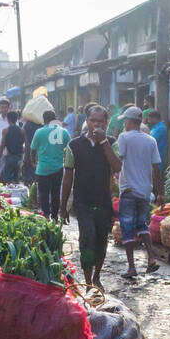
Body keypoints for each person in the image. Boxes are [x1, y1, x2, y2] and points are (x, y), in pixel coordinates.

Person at [60, 104, 122, 289]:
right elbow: (68, 176)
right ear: (86, 121)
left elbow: (117, 167)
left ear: (106, 123)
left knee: (101, 240)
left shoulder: (111, 143)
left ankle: (97, 277)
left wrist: (103, 142)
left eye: (100, 121)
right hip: (82, 201)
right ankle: (88, 281)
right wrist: (62, 206)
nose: (96, 124)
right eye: (92, 120)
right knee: (87, 238)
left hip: (103, 199)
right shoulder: (74, 145)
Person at [115, 106, 163, 278]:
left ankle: (131, 267)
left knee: (127, 227)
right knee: (142, 224)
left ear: (129, 121)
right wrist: (160, 192)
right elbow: (157, 168)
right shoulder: (151, 140)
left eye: (125, 121)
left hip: (128, 189)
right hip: (145, 191)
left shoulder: (124, 138)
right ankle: (151, 259)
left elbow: (117, 161)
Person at [29, 109, 70, 221]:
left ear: (44, 119)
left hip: (43, 168)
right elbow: (70, 148)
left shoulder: (39, 132)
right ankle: (55, 216)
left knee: (43, 193)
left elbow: (33, 149)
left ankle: (46, 215)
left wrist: (33, 161)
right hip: (58, 167)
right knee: (56, 192)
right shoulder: (63, 132)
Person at [0, 110, 25, 182]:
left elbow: (2, 145)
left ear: (8, 119)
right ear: (17, 119)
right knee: (16, 178)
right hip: (19, 157)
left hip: (10, 157)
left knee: (7, 179)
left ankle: (10, 192)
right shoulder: (22, 131)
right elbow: (23, 143)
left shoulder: (6, 130)